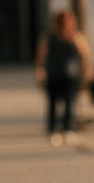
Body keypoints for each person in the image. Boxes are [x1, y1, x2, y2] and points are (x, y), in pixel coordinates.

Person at [34, 10, 90, 146]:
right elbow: (41, 55)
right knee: (53, 104)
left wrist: (86, 71)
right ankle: (54, 131)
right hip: (54, 75)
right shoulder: (50, 37)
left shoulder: (76, 37)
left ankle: (68, 130)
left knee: (69, 104)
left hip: (70, 77)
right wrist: (40, 70)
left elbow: (85, 54)